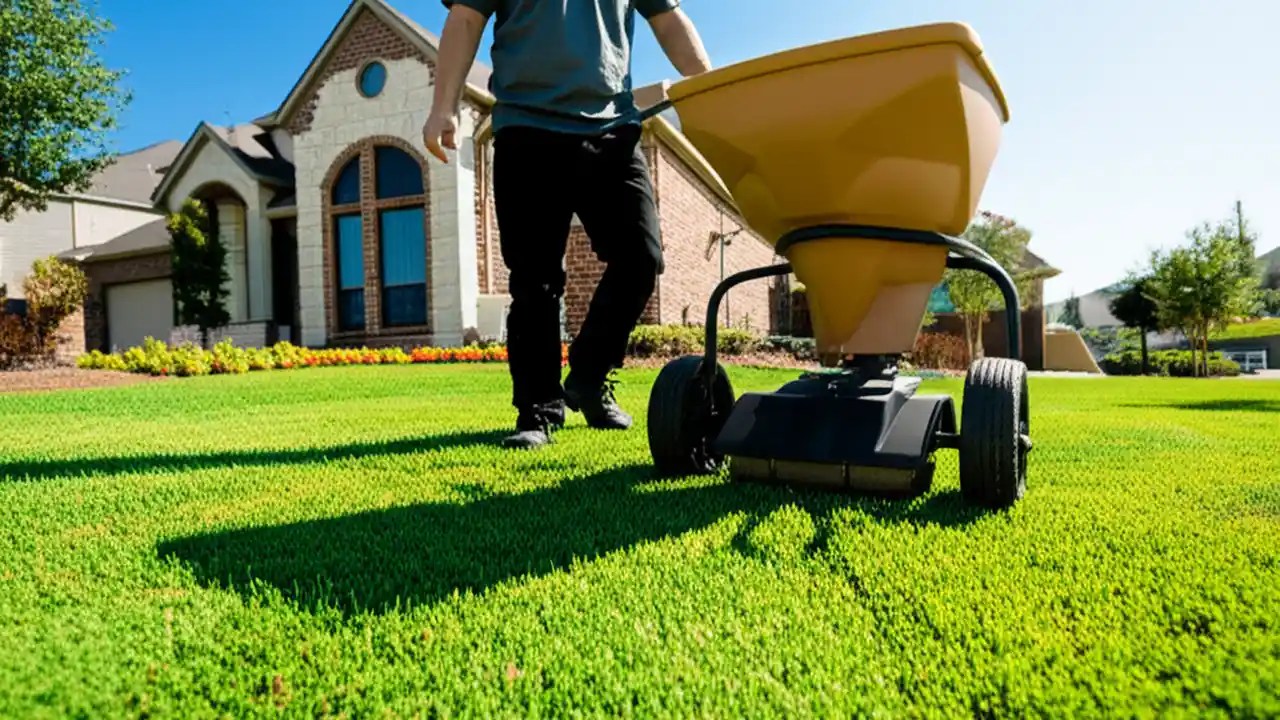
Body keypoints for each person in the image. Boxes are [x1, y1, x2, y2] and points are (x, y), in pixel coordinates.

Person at [425, 0, 712, 448]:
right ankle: (537, 411)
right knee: (534, 280)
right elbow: (465, 17)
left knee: (641, 256)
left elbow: (669, 18)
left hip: (612, 128)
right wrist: (443, 105)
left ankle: (589, 377)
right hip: (526, 129)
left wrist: (710, 88)